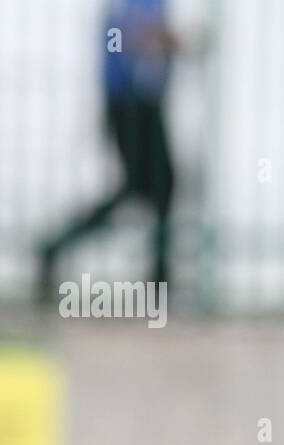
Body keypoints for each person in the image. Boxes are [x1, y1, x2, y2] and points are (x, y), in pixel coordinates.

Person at [38, 0, 177, 300]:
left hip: (139, 103)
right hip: (132, 104)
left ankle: (160, 276)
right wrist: (171, 40)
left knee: (154, 186)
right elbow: (133, 35)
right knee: (148, 186)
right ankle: (159, 279)